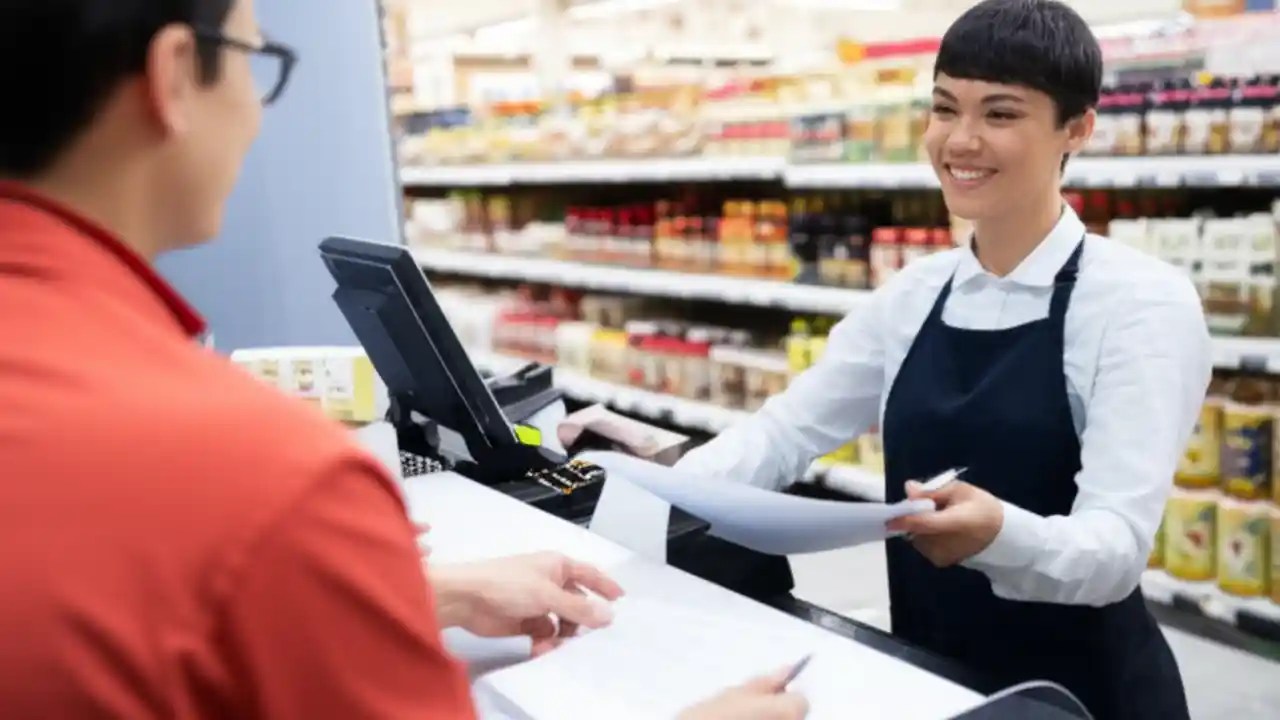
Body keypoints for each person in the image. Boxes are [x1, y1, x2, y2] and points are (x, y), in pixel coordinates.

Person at [0, 2, 806, 719]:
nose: (253, 111)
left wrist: (424, 594)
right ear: (174, 74)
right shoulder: (267, 474)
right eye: (255, 61)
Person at [678, 2, 1210, 718]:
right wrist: (658, 493)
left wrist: (1000, 534)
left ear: (1077, 128)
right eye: (944, 108)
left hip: (1083, 697)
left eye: (1000, 114)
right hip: (931, 681)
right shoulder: (914, 294)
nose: (961, 141)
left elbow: (1114, 551)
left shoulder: (1141, 303)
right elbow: (782, 434)